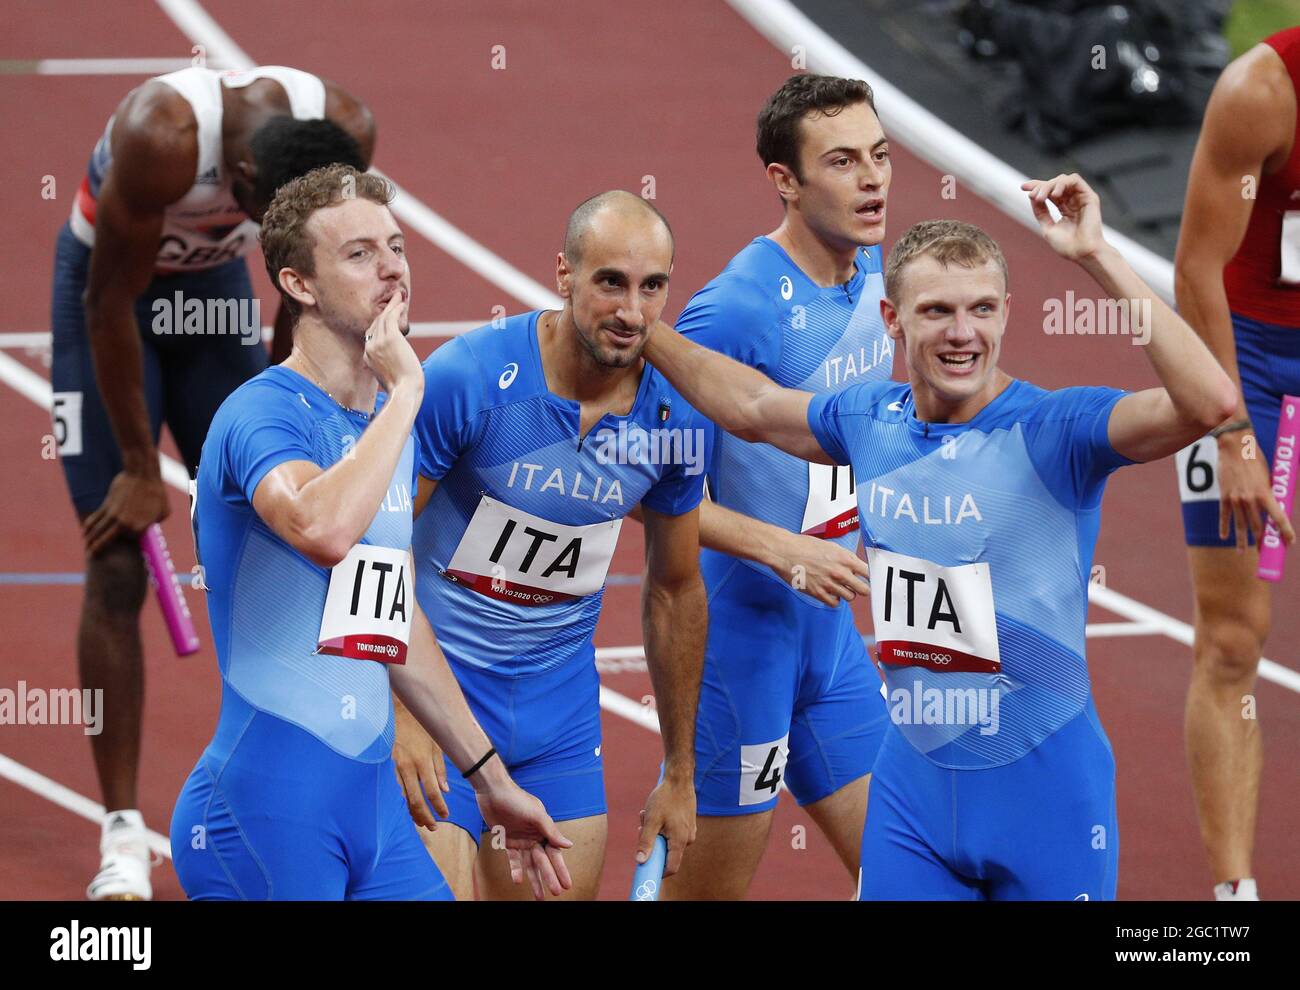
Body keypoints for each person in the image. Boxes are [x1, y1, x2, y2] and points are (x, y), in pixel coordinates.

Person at [642, 173, 1245, 899]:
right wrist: (642, 331)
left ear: (1006, 314)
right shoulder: (870, 419)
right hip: (913, 804)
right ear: (892, 319)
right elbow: (751, 404)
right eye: (938, 313)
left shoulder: (1058, 432)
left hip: (1049, 803)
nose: (963, 334)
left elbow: (1209, 402)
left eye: (982, 310)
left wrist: (1098, 256)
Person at [170, 164, 571, 901]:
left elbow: (388, 621)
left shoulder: (384, 427)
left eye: (395, 246)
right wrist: (408, 395)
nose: (393, 269)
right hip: (265, 816)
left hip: (371, 813)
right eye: (359, 255)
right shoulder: (263, 415)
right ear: (299, 286)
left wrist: (490, 779)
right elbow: (319, 527)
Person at [53, 64, 374, 900]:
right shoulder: (161, 138)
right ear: (237, 184)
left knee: (292, 539)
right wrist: (136, 465)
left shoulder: (341, 126)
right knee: (120, 556)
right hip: (112, 296)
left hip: (217, 299)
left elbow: (303, 287)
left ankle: (297, 779)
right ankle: (123, 835)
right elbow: (108, 305)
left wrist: (284, 407)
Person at [393, 190, 707, 900]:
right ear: (564, 276)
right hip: (440, 695)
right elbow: (375, 547)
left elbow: (675, 588)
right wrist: (403, 712)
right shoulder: (469, 380)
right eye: (611, 283)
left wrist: (679, 773)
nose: (632, 311)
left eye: (653, 286)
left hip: (556, 717)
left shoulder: (675, 416)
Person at [653, 74, 891, 900]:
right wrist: (778, 547)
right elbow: (650, 485)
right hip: (737, 650)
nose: (873, 180)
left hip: (830, 645)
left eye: (880, 156)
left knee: (914, 879)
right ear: (784, 181)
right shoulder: (734, 312)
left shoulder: (876, 276)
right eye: (843, 162)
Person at [1173, 25, 1300, 901]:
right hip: (1250, 364)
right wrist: (1234, 432)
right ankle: (1235, 902)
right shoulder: (1263, 89)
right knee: (1231, 639)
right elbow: (1195, 269)